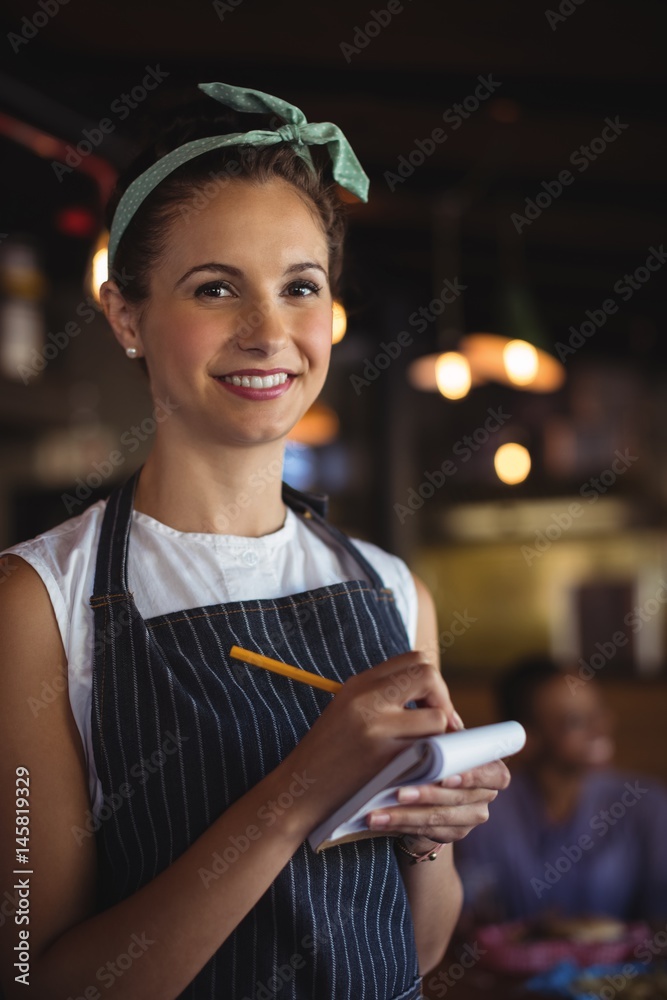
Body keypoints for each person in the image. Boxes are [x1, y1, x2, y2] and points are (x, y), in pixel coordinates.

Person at [0, 82, 510, 999]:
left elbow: (419, 950)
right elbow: (34, 976)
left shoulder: (395, 593)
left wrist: (430, 830)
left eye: (299, 288)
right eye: (215, 288)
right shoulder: (37, 604)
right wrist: (297, 794)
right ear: (126, 316)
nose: (268, 332)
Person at [455, 655, 667, 925]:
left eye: (599, 713)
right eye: (576, 721)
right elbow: (470, 915)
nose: (600, 728)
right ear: (526, 737)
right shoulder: (484, 811)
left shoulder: (645, 804)